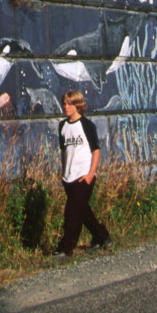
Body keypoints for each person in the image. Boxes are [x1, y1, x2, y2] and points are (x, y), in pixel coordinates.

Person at [54, 89, 111, 258]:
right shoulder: (63, 126)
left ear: (77, 105)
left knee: (72, 213)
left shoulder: (86, 125)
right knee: (83, 211)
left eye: (69, 104)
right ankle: (101, 237)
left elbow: (96, 151)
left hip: (84, 176)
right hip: (69, 177)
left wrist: (90, 174)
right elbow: (64, 151)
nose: (65, 107)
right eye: (64, 103)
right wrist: (63, 173)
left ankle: (65, 248)